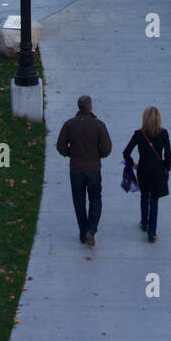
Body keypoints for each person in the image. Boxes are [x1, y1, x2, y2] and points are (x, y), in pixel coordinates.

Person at [56, 95, 112, 246]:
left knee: (79, 201)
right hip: (93, 169)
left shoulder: (69, 125)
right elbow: (107, 149)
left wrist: (70, 153)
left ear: (78, 107)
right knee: (95, 199)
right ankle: (91, 229)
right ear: (90, 107)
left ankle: (83, 233)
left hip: (76, 170)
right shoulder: (99, 125)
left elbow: (60, 146)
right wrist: (98, 155)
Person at [123, 106, 171, 243]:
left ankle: (144, 222)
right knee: (154, 200)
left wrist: (132, 163)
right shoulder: (163, 133)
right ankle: (152, 232)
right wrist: (167, 167)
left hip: (143, 170)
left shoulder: (139, 134)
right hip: (157, 171)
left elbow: (126, 152)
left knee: (144, 196)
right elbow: (168, 154)